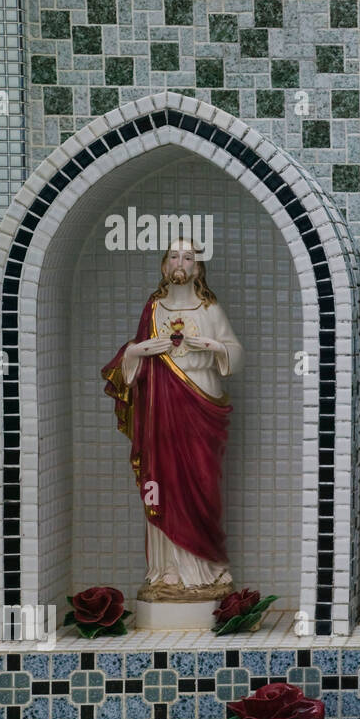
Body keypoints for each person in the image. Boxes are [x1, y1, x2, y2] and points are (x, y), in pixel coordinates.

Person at [101, 238, 243, 601]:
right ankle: (167, 572)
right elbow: (131, 357)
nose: (181, 262)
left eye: (189, 257)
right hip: (161, 414)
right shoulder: (154, 309)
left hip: (203, 404)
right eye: (174, 256)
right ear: (165, 266)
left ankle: (207, 569)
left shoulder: (209, 307)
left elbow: (236, 353)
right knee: (162, 479)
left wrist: (213, 347)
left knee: (202, 482)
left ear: (198, 268)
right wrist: (138, 351)